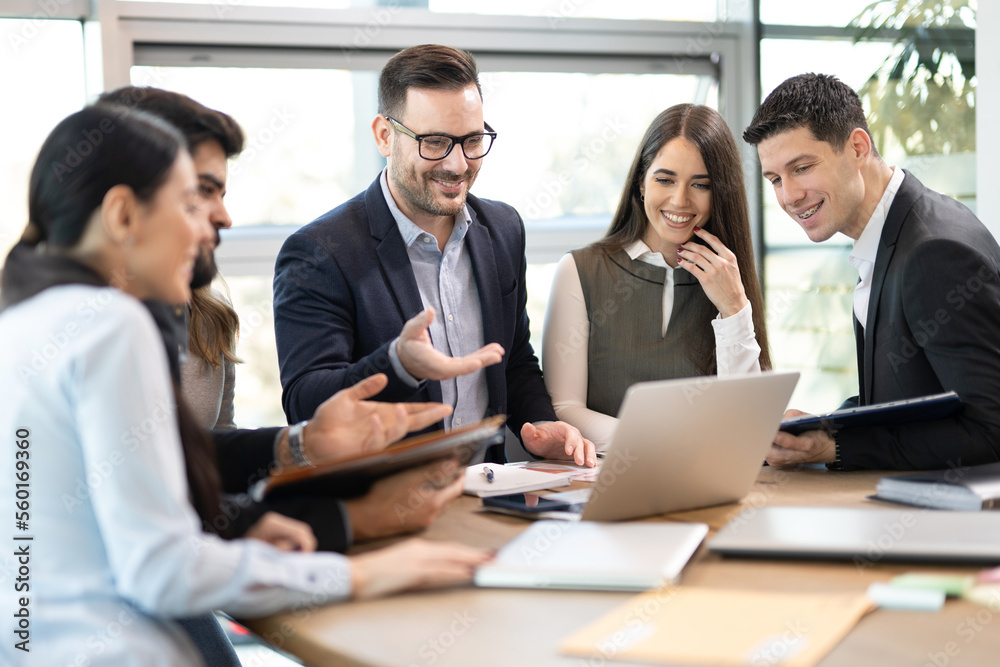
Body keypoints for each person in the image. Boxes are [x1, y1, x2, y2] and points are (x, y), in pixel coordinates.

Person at [0, 104, 490, 666]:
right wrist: (357, 574)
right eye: (189, 203)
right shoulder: (113, 324)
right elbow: (163, 569)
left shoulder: (21, 323)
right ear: (122, 214)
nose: (211, 223)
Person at [98, 86, 467, 557]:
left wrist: (301, 446)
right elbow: (147, 518)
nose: (224, 217)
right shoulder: (88, 334)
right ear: (123, 208)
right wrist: (350, 525)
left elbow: (204, 459)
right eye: (199, 193)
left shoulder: (199, 312)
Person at [273, 44, 595, 466]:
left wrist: (538, 424)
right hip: (386, 503)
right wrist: (397, 365)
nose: (459, 165)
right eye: (436, 142)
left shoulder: (503, 229)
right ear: (384, 136)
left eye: (472, 140)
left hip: (493, 492)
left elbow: (513, 358)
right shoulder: (319, 253)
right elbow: (307, 405)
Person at [744, 72, 1000, 470]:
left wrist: (837, 448)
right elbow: (912, 393)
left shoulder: (933, 252)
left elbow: (991, 429)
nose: (789, 196)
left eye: (803, 168)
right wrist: (824, 427)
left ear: (858, 147)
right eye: (775, 179)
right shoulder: (891, 233)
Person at [542, 104, 770, 451]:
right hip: (598, 482)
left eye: (701, 184)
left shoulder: (729, 281)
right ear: (641, 183)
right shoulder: (580, 271)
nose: (680, 200)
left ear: (720, 193)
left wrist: (735, 309)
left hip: (705, 485)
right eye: (665, 179)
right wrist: (659, 442)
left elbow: (747, 423)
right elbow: (564, 409)